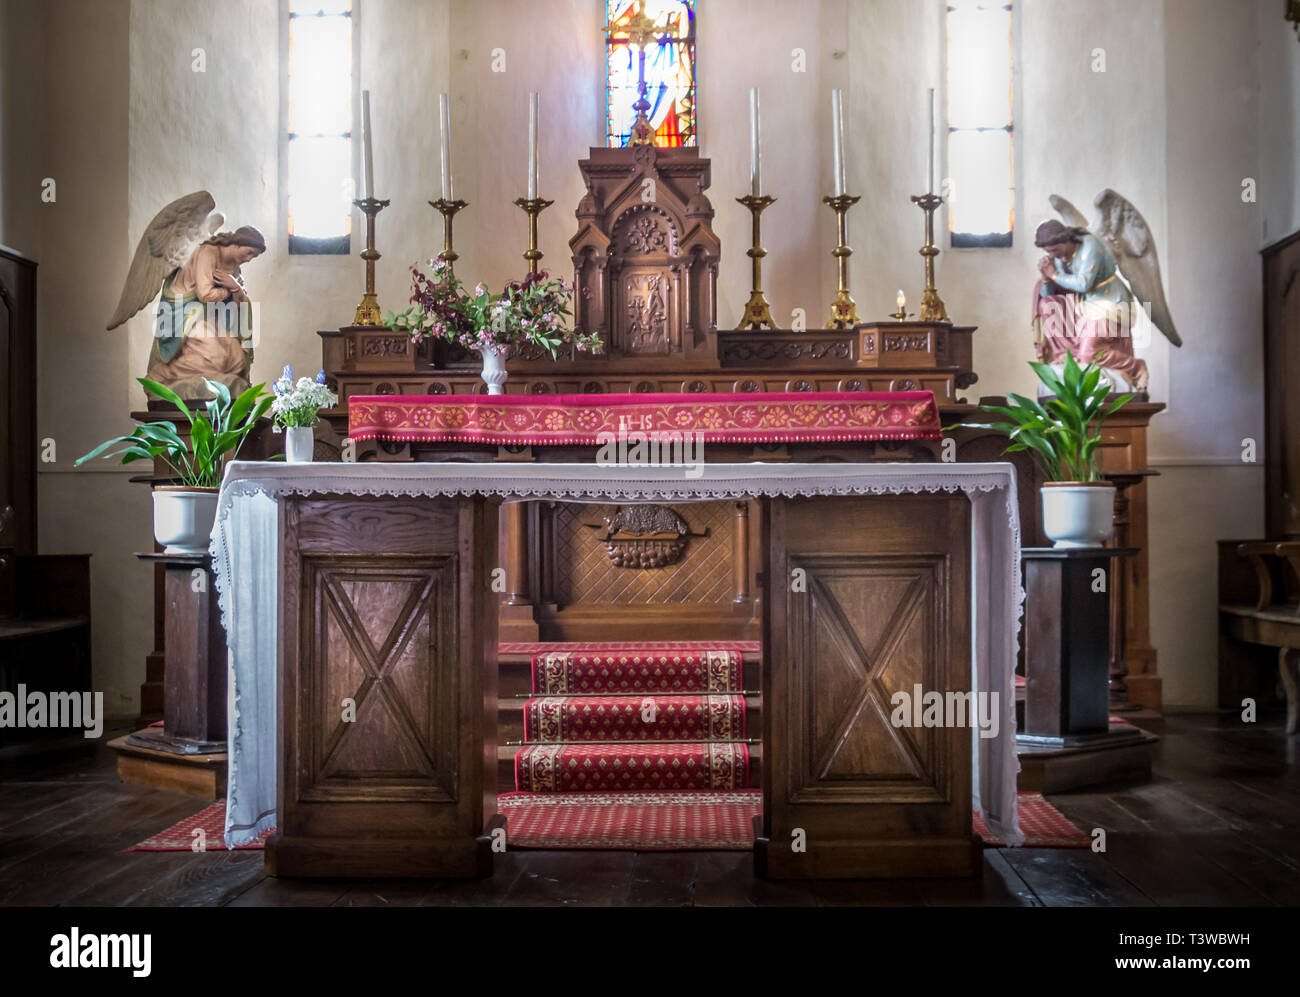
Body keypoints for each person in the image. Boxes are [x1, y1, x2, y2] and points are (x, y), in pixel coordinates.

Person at [146, 225, 266, 400]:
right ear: (237, 243)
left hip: (209, 316)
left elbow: (239, 302)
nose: (249, 259)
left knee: (237, 359)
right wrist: (229, 289)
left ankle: (212, 386)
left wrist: (236, 288)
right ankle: (162, 375)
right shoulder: (208, 252)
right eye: (249, 253)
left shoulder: (234, 266)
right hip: (184, 314)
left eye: (253, 256)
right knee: (217, 357)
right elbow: (205, 295)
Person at [1031, 218, 1147, 392]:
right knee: (1049, 304)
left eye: (1055, 250)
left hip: (1111, 304)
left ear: (1064, 239)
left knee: (1089, 354)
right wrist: (1046, 279)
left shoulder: (1090, 245)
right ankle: (1070, 355)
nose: (1053, 256)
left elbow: (1084, 284)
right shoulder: (1058, 257)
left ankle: (1136, 367)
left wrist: (1054, 275)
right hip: (1086, 307)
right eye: (1049, 252)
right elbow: (1050, 295)